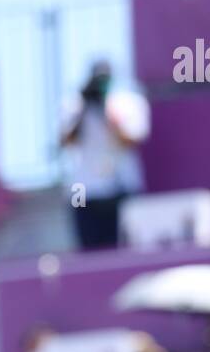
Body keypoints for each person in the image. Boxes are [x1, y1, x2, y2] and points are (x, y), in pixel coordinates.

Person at [60, 61, 150, 250]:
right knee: (88, 250)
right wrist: (83, 110)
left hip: (121, 186)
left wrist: (108, 112)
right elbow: (66, 141)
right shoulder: (75, 104)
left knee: (124, 247)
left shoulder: (128, 102)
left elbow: (132, 141)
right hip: (82, 190)